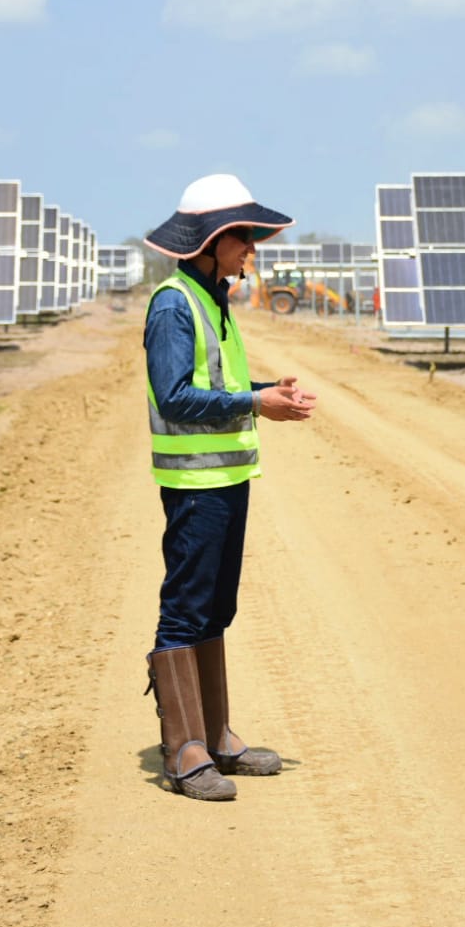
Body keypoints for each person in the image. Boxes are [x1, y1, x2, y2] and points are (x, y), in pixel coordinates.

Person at [142, 173, 317, 802]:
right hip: (194, 484)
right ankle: (183, 749)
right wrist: (255, 402)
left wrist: (269, 391)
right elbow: (176, 395)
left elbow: (215, 383)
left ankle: (214, 735)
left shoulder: (211, 297)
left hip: (226, 476)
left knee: (217, 607)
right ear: (212, 240)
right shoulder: (173, 303)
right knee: (185, 608)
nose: (252, 248)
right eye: (243, 236)